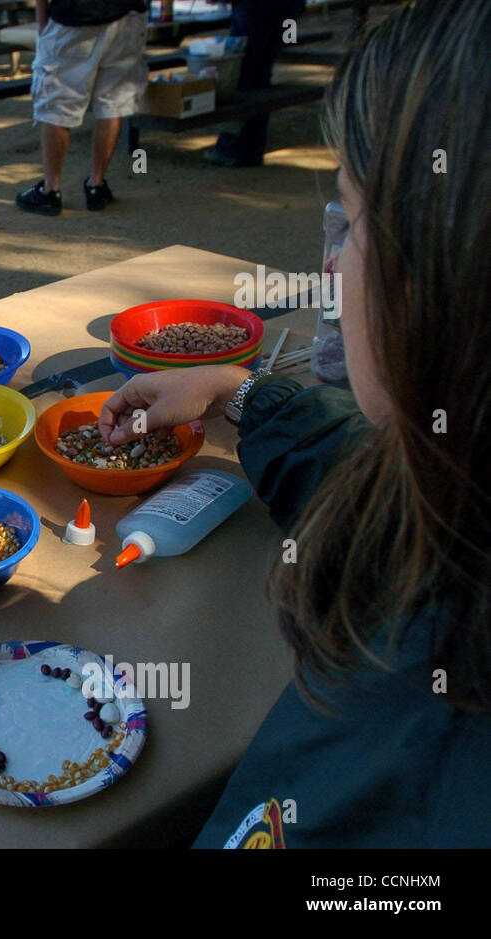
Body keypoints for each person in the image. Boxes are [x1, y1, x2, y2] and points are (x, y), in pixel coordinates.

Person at [100, 0, 490, 846]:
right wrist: (239, 393)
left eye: (349, 224)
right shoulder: (453, 489)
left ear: (447, 289)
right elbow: (368, 472)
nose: (327, 263)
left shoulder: (435, 780)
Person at [15, 0, 148, 216]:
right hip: (127, 14)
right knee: (111, 102)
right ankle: (96, 184)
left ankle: (51, 189)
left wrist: (42, 24)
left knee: (56, 105)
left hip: (75, 16)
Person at [201, 0, 307, 168]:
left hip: (255, 8)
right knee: (261, 74)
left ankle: (232, 148)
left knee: (243, 74)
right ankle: (251, 148)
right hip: (286, 8)